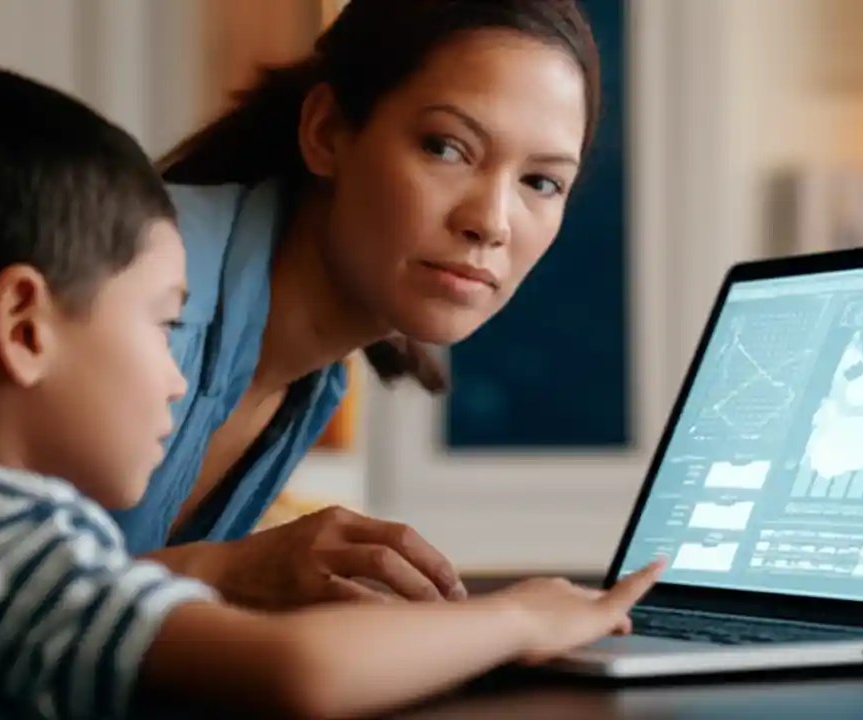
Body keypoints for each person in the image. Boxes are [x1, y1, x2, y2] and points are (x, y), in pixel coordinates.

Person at [0, 68, 662, 719]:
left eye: (541, 181)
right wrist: (522, 615)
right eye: (165, 323)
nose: (177, 374)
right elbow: (297, 671)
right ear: (25, 328)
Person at [108, 0, 609, 608]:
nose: (492, 223)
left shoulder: (312, 381)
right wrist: (224, 573)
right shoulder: (139, 293)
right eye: (447, 148)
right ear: (325, 133)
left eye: (541, 182)